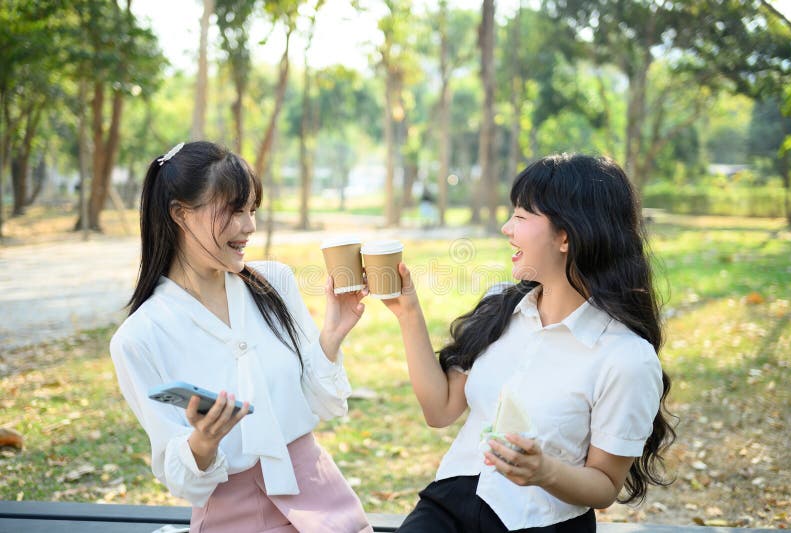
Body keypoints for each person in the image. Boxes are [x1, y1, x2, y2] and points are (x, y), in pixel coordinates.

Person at [382, 154, 675, 532]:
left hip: (538, 522)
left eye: (521, 216)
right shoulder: (501, 306)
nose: (506, 228)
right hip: (448, 507)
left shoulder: (625, 357)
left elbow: (605, 485)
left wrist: (545, 471)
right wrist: (408, 312)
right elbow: (440, 410)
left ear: (567, 236)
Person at [110, 141, 373, 533]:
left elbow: (324, 404)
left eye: (252, 210)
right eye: (234, 211)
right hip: (231, 515)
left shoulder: (274, 283)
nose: (249, 226)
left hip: (321, 499)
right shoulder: (139, 338)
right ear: (180, 214)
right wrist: (203, 442)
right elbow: (179, 477)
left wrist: (331, 336)